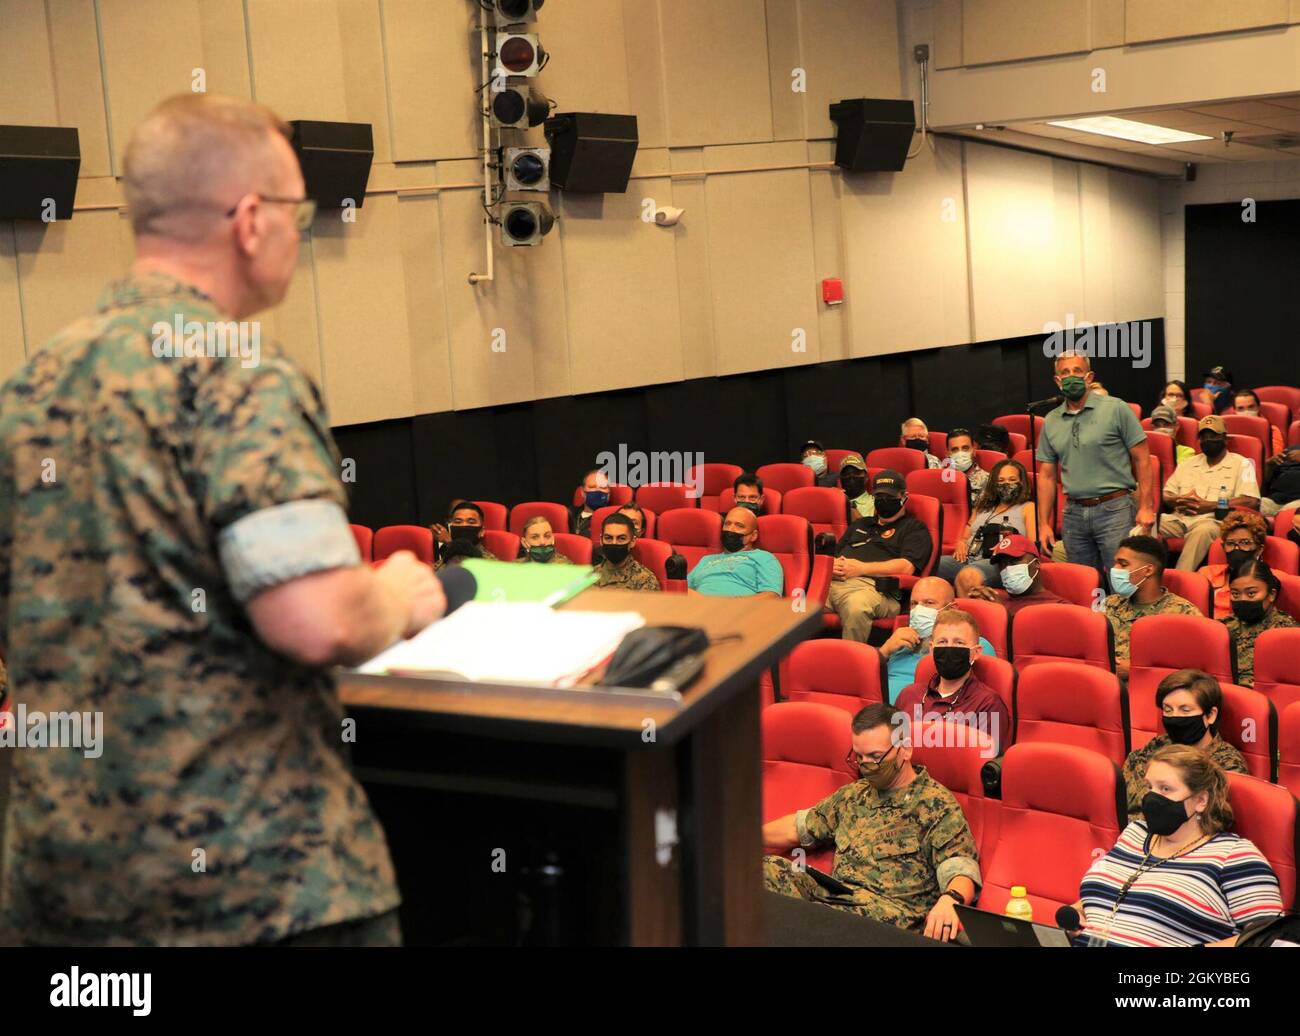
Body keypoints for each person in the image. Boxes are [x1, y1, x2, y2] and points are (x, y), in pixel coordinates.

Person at [0, 94, 449, 947]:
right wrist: (399, 593)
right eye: (297, 212)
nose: (297, 233)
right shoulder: (238, 373)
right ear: (250, 220)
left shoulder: (30, 384)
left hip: (63, 891)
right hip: (251, 887)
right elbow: (314, 619)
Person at [761, 704, 981, 941]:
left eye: (875, 757)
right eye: (860, 757)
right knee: (765, 869)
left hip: (889, 917)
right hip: (837, 899)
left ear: (905, 749)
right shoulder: (854, 795)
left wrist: (951, 899)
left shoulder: (935, 804)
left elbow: (960, 868)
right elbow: (799, 827)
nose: (866, 766)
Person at [1072, 744, 1281, 947]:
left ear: (1201, 800)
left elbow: (1271, 937)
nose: (1152, 797)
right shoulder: (1135, 833)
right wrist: (1081, 910)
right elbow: (1115, 894)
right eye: (1149, 787)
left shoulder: (1234, 855)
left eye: (1165, 789)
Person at [1036, 351, 1154, 570]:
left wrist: (1147, 507)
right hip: (1074, 513)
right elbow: (1046, 475)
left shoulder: (1116, 408)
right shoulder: (1051, 420)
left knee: (1120, 580)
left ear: (1089, 377)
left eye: (1077, 371)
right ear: (1057, 381)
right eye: (1065, 372)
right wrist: (1043, 524)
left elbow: (1143, 459)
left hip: (1115, 509)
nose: (1071, 376)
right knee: (1086, 584)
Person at [1120, 670, 1247, 820]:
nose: (1175, 718)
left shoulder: (1226, 763)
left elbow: (1206, 819)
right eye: (1168, 710)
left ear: (1210, 715)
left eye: (1185, 710)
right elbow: (1122, 797)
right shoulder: (1154, 747)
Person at [826, 471, 933, 642]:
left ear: (903, 496)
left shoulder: (914, 528)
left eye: (889, 496)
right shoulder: (861, 523)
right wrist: (829, 566)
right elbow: (834, 555)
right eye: (879, 496)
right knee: (797, 605)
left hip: (876, 591)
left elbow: (907, 567)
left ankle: (851, 665)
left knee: (856, 607)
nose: (883, 501)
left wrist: (860, 568)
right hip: (831, 584)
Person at [894, 608, 1010, 756]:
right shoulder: (908, 695)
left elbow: (986, 763)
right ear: (931, 649)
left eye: (959, 643)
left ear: (976, 652)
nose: (949, 648)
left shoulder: (988, 704)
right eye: (942, 642)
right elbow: (892, 754)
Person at [1158, 415, 1260, 571]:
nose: (1208, 440)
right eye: (1204, 437)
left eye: (1213, 436)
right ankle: (1141, 577)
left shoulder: (1243, 464)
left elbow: (1251, 501)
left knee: (1202, 531)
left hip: (1213, 521)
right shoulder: (1187, 463)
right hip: (1179, 519)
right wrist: (1179, 500)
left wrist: (1209, 505)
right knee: (1149, 523)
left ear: (1225, 438)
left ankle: (1178, 581)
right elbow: (1167, 495)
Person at [877, 578, 994, 701]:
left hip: (926, 714)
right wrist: (884, 651)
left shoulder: (973, 646)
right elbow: (866, 686)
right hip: (876, 711)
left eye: (929, 603)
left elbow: (975, 696)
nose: (919, 610)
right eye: (914, 604)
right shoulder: (898, 642)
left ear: (952, 609)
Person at [1104, 536, 1200, 683]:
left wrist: (1137, 671)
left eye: (1123, 564)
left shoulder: (1184, 614)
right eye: (1116, 563)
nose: (1114, 570)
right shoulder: (1108, 604)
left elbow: (1195, 673)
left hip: (1157, 694)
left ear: (1148, 570)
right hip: (1104, 686)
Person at [937, 459, 1035, 589]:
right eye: (1001, 481)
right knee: (930, 564)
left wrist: (1007, 548)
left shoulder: (1028, 508)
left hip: (999, 562)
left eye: (1012, 480)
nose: (1006, 484)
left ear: (1021, 482)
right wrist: (961, 542)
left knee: (968, 576)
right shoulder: (983, 506)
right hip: (967, 558)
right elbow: (967, 531)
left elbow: (1032, 545)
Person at [1221, 558, 1298, 687]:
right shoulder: (1222, 627)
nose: (1242, 599)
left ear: (1271, 595)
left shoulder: (1286, 633)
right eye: (1235, 594)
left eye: (1251, 593)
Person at [958, 533, 1068, 614]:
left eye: (1014, 561)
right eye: (1002, 565)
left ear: (1037, 563)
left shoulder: (1058, 606)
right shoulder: (994, 597)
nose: (1008, 569)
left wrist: (1000, 614)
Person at [686, 507, 783, 597]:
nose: (731, 529)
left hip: (738, 611)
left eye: (739, 526)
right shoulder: (706, 560)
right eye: (727, 524)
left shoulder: (764, 557)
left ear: (753, 535)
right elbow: (682, 589)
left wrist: (733, 606)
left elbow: (771, 596)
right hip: (698, 609)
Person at [1197, 510, 1267, 620]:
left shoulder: (1272, 579)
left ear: (1259, 549)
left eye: (1245, 543)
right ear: (1223, 547)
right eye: (1230, 543)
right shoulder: (1206, 574)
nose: (1237, 549)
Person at [593, 513, 659, 590]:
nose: (614, 543)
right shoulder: (588, 576)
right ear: (601, 540)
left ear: (632, 541)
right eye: (608, 538)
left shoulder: (645, 579)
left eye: (621, 538)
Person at [432, 500, 497, 569]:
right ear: (450, 528)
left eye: (471, 522)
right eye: (458, 522)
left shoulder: (490, 564)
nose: (464, 525)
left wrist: (449, 543)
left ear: (481, 531)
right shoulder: (446, 558)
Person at [1231, 389, 1284, 456]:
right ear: (1234, 410)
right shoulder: (1229, 430)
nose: (1246, 412)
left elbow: (1276, 456)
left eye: (1251, 407)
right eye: (1240, 408)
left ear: (1258, 407)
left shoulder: (1271, 430)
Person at [944, 428, 987, 506]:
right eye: (955, 450)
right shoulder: (941, 479)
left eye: (965, 448)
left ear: (974, 450)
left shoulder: (987, 481)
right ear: (947, 454)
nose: (960, 454)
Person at [1261, 443, 1300, 519]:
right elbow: (1265, 482)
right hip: (1274, 500)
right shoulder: (1291, 449)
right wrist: (1269, 465)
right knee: (1247, 510)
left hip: (1297, 501)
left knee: (1286, 514)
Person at [569, 467, 611, 537]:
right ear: (582, 492)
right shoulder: (570, 513)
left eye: (603, 487)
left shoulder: (613, 519)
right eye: (592, 487)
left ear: (609, 493)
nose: (598, 490)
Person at [837, 452, 873, 521]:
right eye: (846, 474)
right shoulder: (834, 500)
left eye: (856, 473)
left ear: (866, 477)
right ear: (840, 479)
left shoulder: (874, 504)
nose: (851, 477)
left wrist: (850, 506)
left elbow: (869, 530)